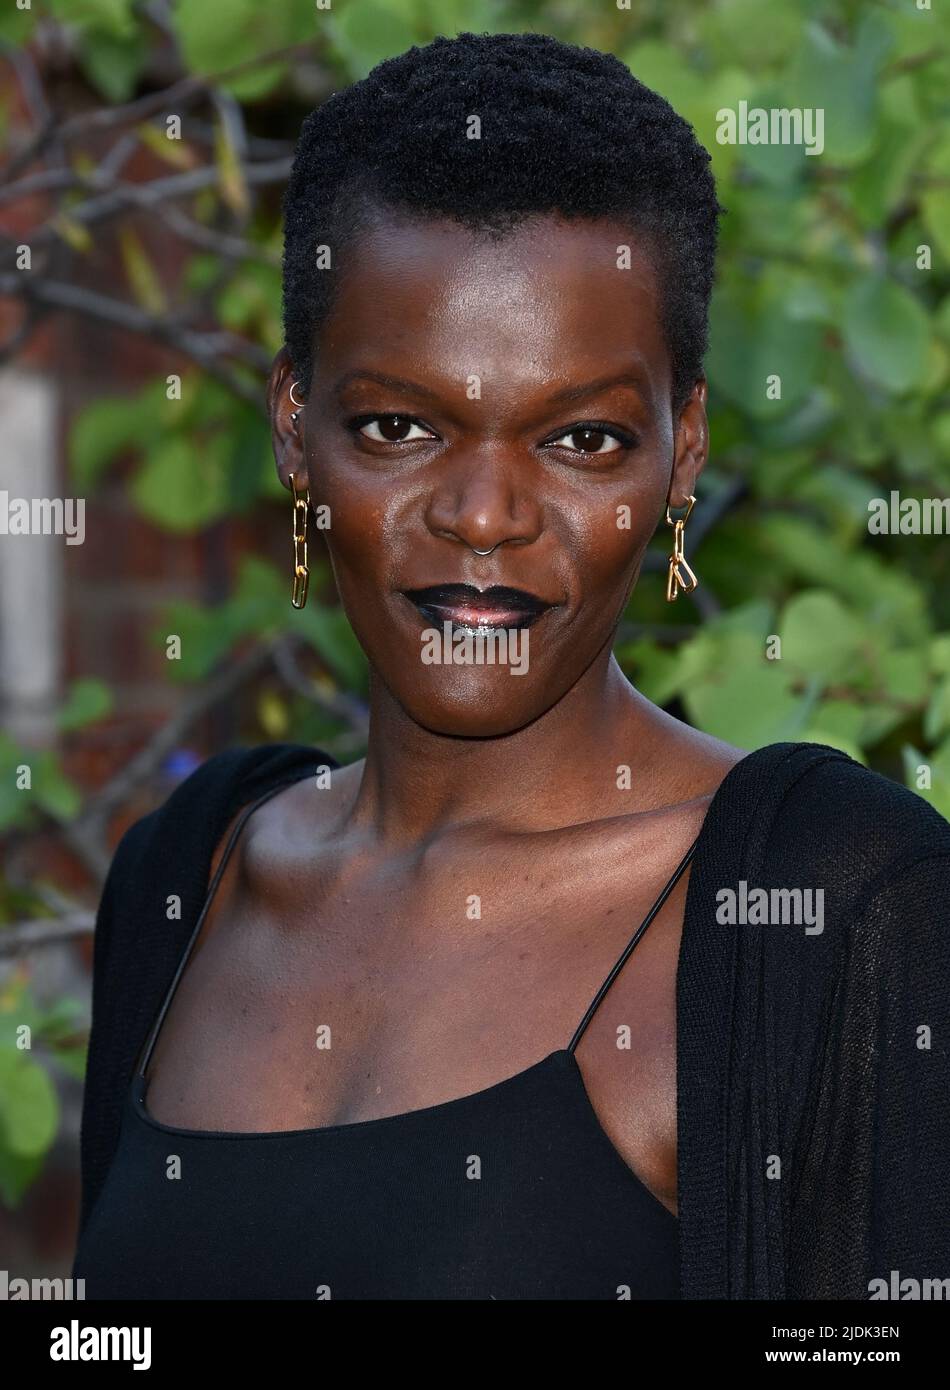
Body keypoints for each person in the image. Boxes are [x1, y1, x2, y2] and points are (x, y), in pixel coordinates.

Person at [72, 31, 950, 1300]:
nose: (484, 514)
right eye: (398, 425)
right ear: (292, 428)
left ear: (682, 451)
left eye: (582, 437)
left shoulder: (839, 910)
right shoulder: (186, 877)